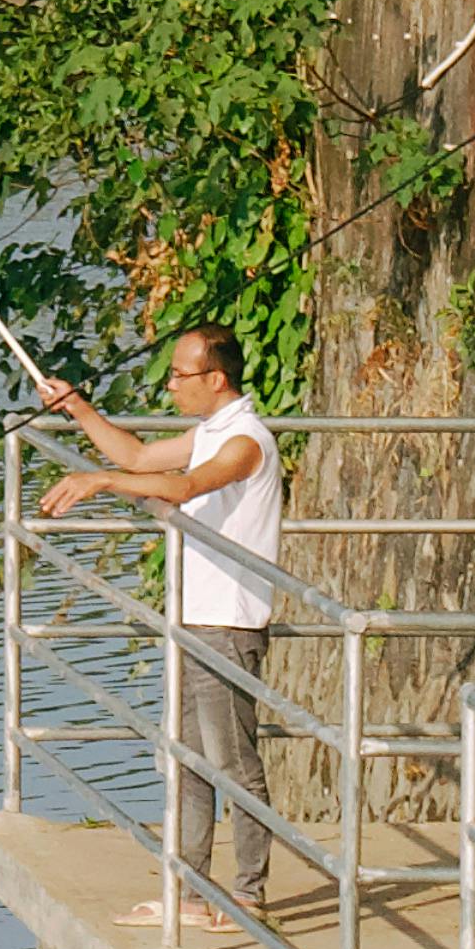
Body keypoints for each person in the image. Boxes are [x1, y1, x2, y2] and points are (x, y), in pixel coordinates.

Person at [36, 322, 285, 898]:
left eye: (179, 374)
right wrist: (78, 408)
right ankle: (191, 894)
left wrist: (102, 482)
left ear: (216, 379)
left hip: (228, 623)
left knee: (235, 765)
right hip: (193, 620)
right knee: (188, 760)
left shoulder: (245, 441)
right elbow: (142, 455)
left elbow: (188, 486)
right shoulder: (212, 431)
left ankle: (249, 893)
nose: (170, 384)